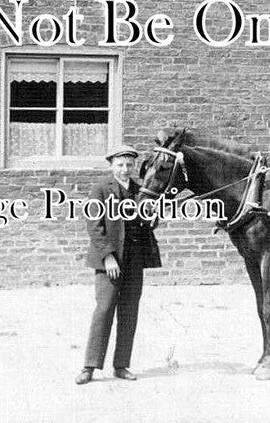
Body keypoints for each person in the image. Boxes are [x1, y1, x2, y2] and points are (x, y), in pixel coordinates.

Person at [75, 144, 161, 385]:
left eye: (129, 165)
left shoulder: (140, 190)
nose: (125, 170)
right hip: (110, 261)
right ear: (111, 165)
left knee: (129, 312)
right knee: (103, 311)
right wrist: (108, 256)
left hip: (135, 259)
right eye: (120, 165)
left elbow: (148, 222)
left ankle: (121, 365)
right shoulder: (101, 190)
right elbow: (94, 226)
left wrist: (153, 217)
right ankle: (89, 366)